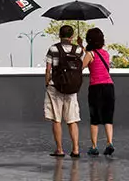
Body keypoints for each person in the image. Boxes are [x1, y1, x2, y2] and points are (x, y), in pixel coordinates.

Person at [45, 24, 84, 158]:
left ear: (59, 35)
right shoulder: (78, 50)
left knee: (57, 119)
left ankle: (60, 150)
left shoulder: (53, 48)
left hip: (55, 86)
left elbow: (48, 69)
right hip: (72, 88)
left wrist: (47, 82)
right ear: (72, 36)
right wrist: (80, 44)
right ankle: (76, 149)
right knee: (72, 120)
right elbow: (81, 64)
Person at [81, 27, 115, 156]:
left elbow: (81, 66)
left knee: (94, 118)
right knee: (108, 118)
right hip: (109, 86)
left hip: (96, 87)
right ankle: (109, 143)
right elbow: (96, 56)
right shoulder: (106, 53)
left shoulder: (90, 54)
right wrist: (83, 47)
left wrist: (82, 51)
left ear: (89, 40)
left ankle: (94, 147)